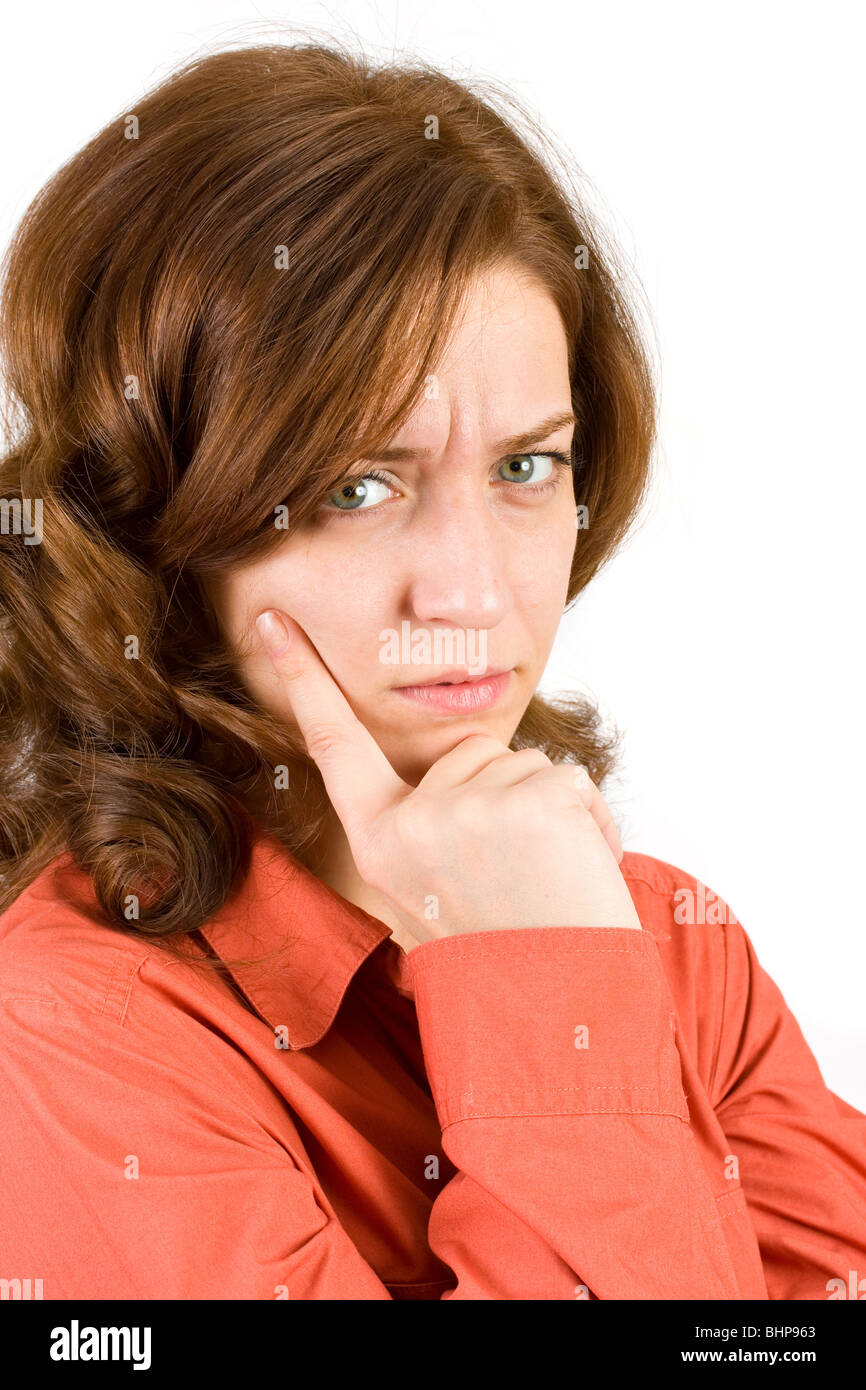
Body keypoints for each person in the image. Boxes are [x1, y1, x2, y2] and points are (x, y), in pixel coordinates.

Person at [0, 39, 864, 1302]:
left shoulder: (663, 938)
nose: (470, 596)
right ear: (147, 530)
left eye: (526, 467)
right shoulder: (72, 1035)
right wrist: (552, 999)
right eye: (354, 487)